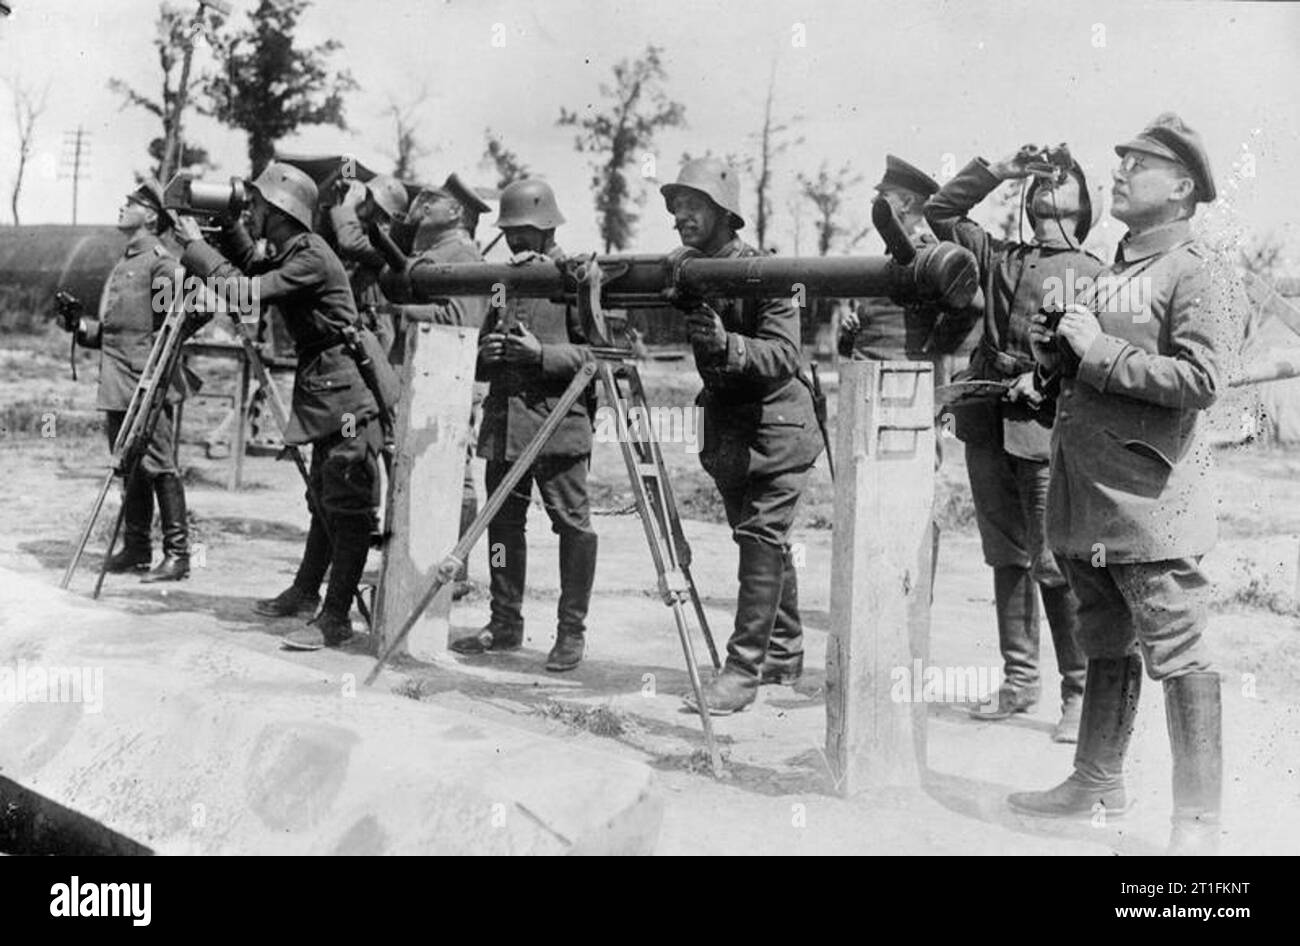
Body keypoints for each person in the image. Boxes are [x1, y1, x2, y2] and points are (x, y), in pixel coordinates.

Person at [1008, 114, 1244, 855]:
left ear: (1180, 188)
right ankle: (1095, 779)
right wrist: (1049, 370)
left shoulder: (1199, 271)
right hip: (1091, 501)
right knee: (1103, 636)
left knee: (1177, 653)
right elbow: (1096, 373)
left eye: (1137, 165)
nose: (1116, 174)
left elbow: (1204, 380)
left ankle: (1198, 828)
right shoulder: (1118, 273)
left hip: (1150, 506)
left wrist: (1098, 349)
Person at [925, 142, 1105, 741]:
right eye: (1040, 183)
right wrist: (998, 171)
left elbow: (1098, 359)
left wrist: (1047, 375)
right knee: (1005, 555)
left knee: (1053, 563)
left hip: (1048, 428)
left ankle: (1077, 694)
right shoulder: (1000, 256)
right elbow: (939, 211)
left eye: (1064, 181)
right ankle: (1019, 680)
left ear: (1084, 206)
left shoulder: (1095, 275)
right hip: (986, 420)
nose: (1050, 188)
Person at [173, 161, 381, 650]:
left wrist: (194, 247)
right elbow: (253, 269)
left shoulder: (311, 256)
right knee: (323, 498)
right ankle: (306, 592)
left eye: (258, 206)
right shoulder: (296, 249)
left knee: (347, 504)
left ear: (279, 209)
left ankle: (336, 618)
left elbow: (248, 294)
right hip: (326, 387)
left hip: (348, 393)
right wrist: (228, 228)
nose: (253, 210)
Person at [662, 157, 823, 715]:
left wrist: (729, 343)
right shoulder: (690, 270)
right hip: (730, 433)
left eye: (693, 206)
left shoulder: (766, 272)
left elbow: (783, 354)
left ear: (724, 213)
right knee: (760, 542)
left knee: (759, 539)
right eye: (677, 207)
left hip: (778, 431)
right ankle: (783, 650)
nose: (682, 217)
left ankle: (742, 670)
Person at [449, 178, 598, 673]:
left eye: (525, 231)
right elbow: (481, 349)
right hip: (507, 424)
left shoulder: (577, 276)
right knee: (502, 530)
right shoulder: (502, 279)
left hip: (559, 425)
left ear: (549, 225)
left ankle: (570, 632)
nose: (515, 241)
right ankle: (505, 621)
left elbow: (604, 356)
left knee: (572, 528)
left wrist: (543, 356)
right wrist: (483, 356)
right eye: (509, 232)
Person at [65, 180, 198, 583]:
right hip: (118, 383)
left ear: (152, 216)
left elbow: (186, 317)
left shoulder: (161, 264)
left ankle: (179, 555)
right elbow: (115, 332)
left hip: (147, 383)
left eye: (132, 203)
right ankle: (137, 548)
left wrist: (159, 362)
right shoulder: (125, 263)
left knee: (159, 465)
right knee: (130, 467)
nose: (122, 207)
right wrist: (79, 326)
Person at [391, 175, 493, 599]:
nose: (420, 204)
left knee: (453, 474)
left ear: (456, 213)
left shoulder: (463, 255)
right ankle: (416, 562)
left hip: (447, 381)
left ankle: (456, 570)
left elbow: (459, 323)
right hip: (423, 378)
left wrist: (396, 310)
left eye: (432, 200)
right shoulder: (432, 253)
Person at [839, 154, 972, 372]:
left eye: (884, 194)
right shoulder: (896, 251)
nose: (874, 201)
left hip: (900, 378)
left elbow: (972, 305)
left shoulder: (930, 253)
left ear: (907, 203)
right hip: (873, 371)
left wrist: (936, 348)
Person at [325, 173, 410, 356]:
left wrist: (348, 206)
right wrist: (341, 202)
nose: (362, 200)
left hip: (377, 328)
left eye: (367, 197)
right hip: (363, 324)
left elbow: (349, 243)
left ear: (379, 204)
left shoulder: (389, 240)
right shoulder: (366, 233)